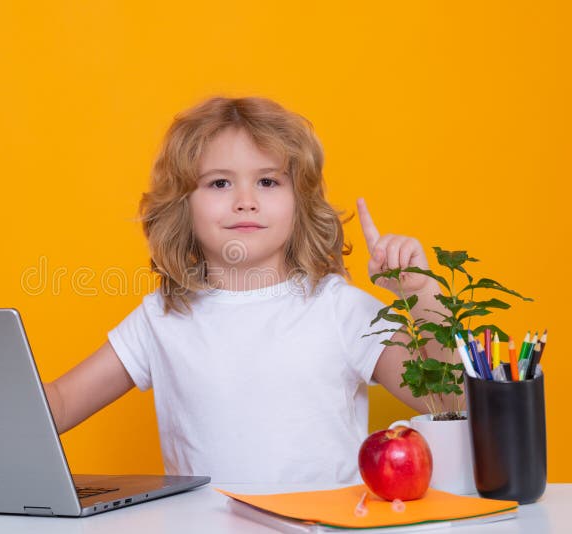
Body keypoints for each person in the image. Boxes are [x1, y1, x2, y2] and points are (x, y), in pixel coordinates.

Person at [44, 96, 455, 485]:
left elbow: (446, 400)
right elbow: (59, 403)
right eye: (220, 183)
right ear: (183, 206)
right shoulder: (160, 317)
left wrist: (421, 295)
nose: (245, 201)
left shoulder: (339, 308)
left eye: (268, 182)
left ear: (300, 201)